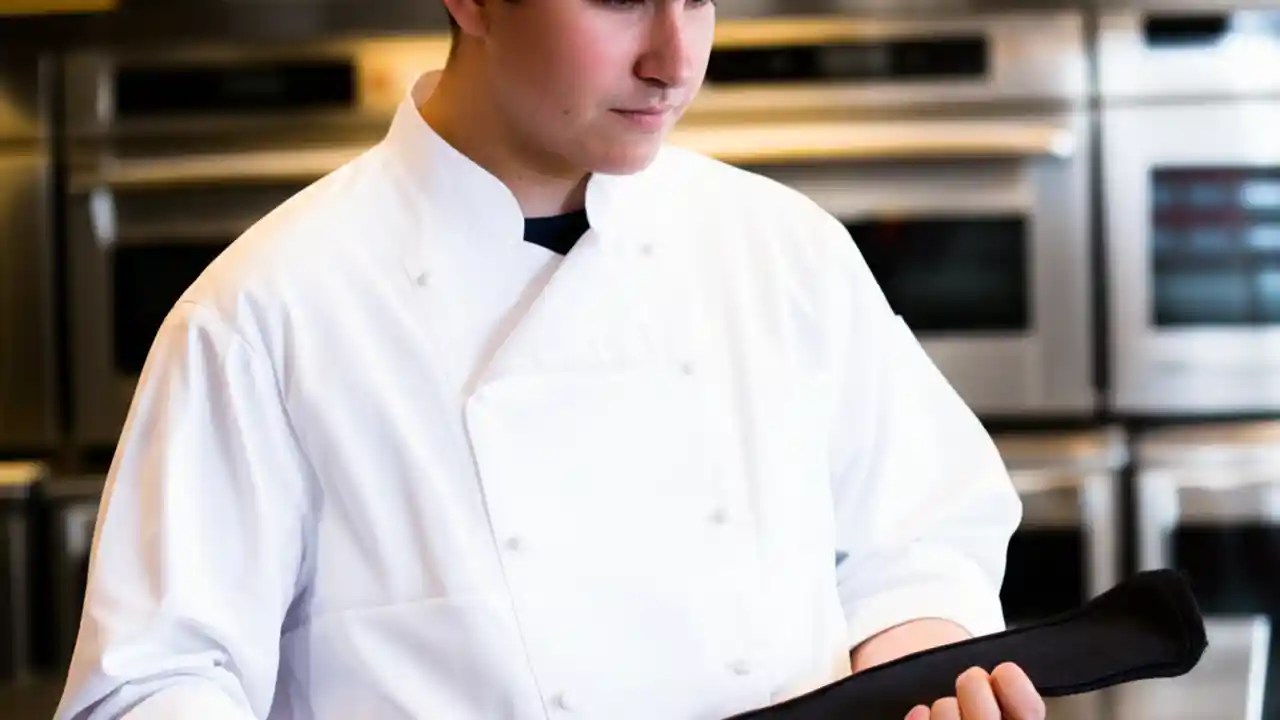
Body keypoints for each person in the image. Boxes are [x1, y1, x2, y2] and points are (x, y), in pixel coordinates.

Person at [55, 1, 1046, 719]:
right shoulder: (264, 314)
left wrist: (924, 668)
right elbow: (155, 685)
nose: (674, 59)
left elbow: (915, 541)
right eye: (618, 0)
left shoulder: (783, 250)